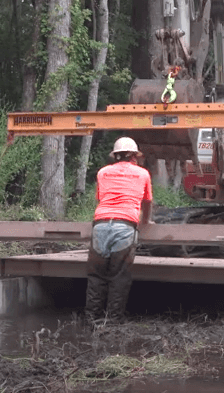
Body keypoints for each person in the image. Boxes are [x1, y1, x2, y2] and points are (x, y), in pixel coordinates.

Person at [85, 136, 153, 322]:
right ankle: (113, 322)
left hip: (101, 225)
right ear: (134, 156)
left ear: (115, 156)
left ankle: (92, 320)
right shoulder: (142, 174)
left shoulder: (103, 172)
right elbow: (146, 203)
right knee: (119, 276)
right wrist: (145, 222)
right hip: (125, 226)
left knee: (97, 275)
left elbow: (100, 199)